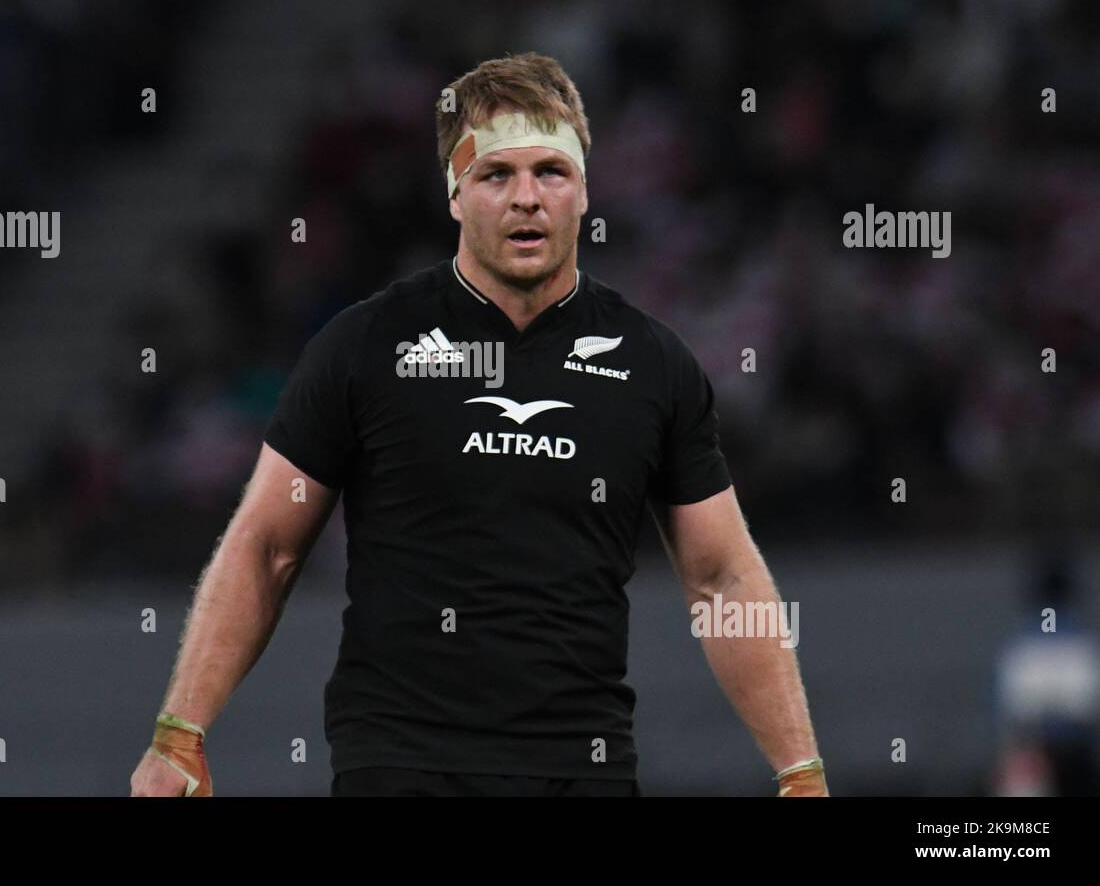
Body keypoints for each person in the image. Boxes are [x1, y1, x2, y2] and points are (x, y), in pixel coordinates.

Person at [130, 52, 827, 797]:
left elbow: (722, 576)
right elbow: (266, 544)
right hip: (401, 768)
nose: (527, 198)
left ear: (585, 190)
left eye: (550, 173)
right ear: (456, 194)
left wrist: (801, 772)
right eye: (498, 175)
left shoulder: (654, 365)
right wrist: (179, 733)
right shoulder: (367, 345)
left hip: (580, 771)